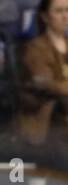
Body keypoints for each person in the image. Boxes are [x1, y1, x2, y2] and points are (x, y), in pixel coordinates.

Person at [17, 0, 68, 172]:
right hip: (48, 122)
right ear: (45, 17)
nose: (65, 16)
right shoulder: (35, 48)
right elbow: (45, 84)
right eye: (59, 11)